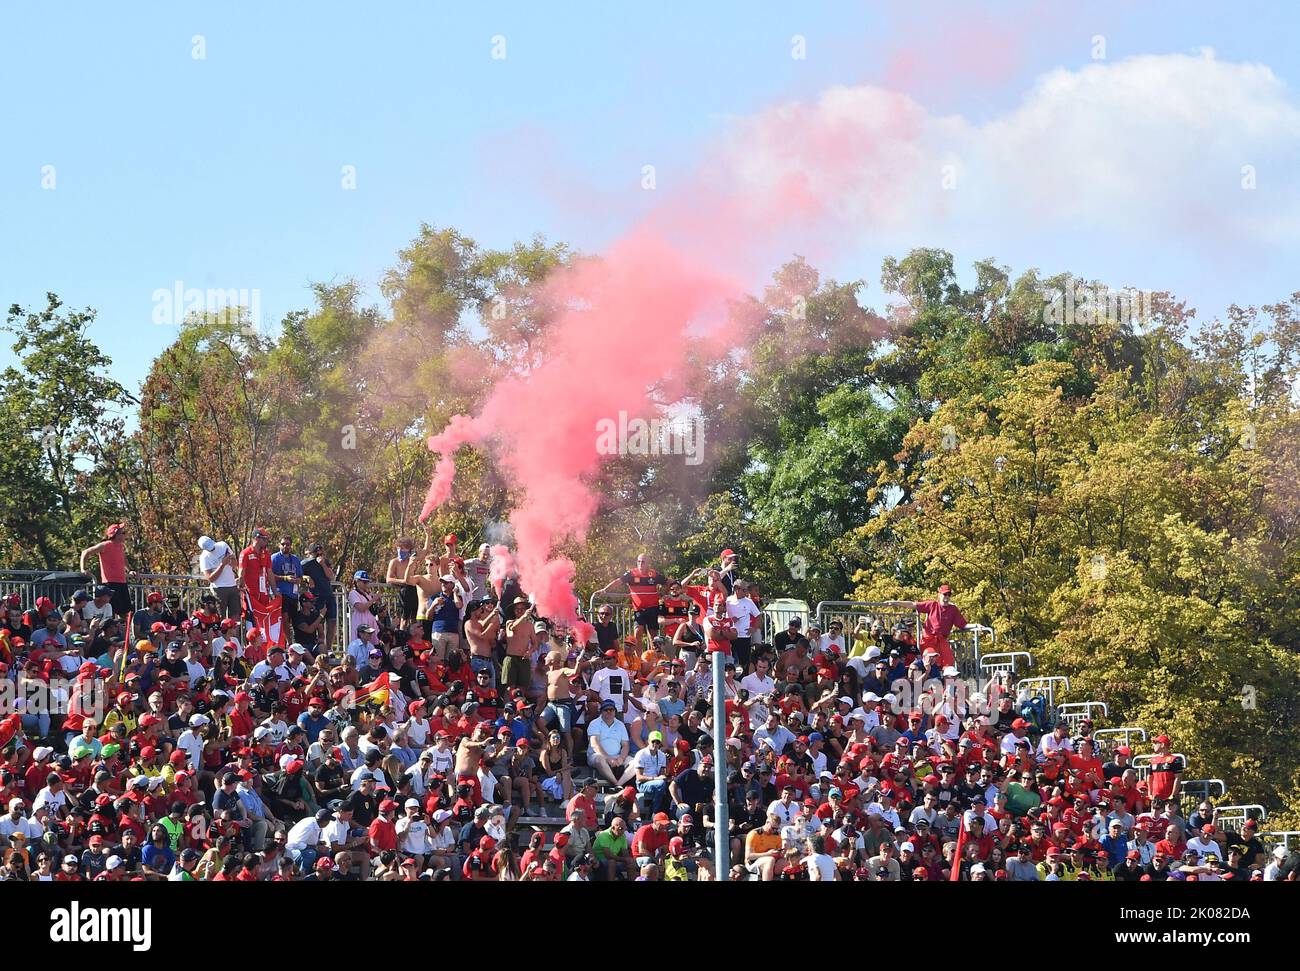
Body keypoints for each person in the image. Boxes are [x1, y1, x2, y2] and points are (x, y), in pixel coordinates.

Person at [79, 522, 134, 618]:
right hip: (110, 584)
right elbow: (86, 552)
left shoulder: (121, 546)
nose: (125, 535)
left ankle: (124, 632)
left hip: (122, 582)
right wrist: (83, 568)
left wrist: (130, 570)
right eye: (122, 532)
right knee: (111, 611)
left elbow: (124, 559)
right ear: (116, 535)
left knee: (125, 612)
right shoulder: (105, 545)